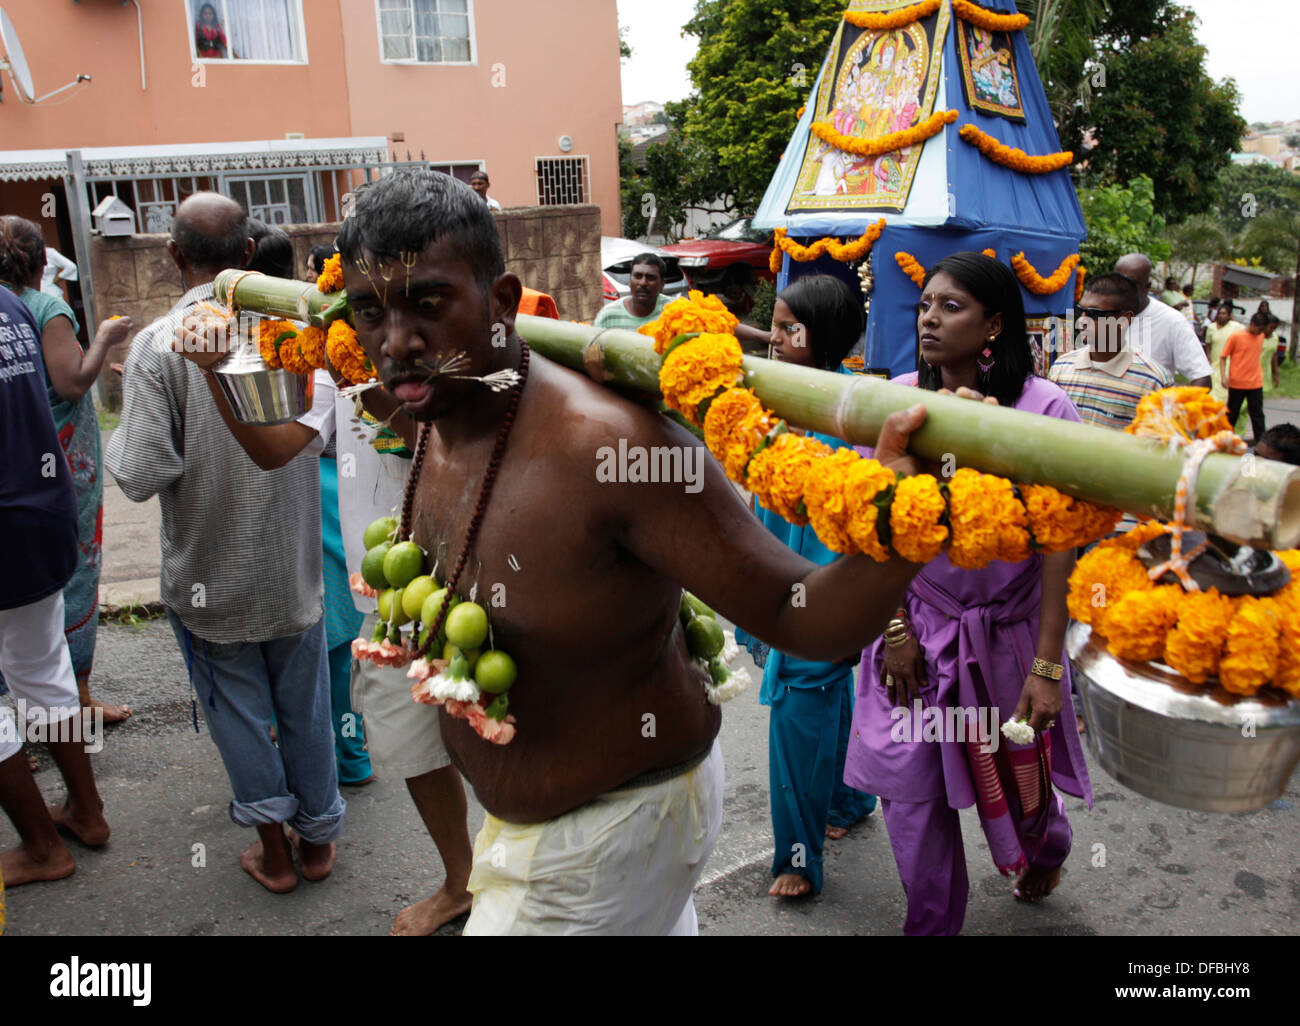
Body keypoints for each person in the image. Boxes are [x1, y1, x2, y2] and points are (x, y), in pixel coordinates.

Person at [334, 168, 935, 934]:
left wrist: (905, 520)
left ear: (503, 303)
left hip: (609, 842)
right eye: (367, 312)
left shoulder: (609, 448)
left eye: (427, 303)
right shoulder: (428, 410)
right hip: (547, 839)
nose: (397, 341)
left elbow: (801, 614)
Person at [843, 252, 1092, 936]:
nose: (929, 317)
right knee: (911, 801)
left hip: (1009, 637)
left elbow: (1058, 550)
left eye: (950, 306)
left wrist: (1046, 668)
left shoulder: (1044, 409)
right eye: (925, 303)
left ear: (993, 326)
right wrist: (895, 631)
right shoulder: (893, 404)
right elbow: (877, 531)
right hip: (915, 634)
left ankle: (1048, 848)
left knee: (1021, 790)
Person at [106, 192, 345, 894]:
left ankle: (276, 854)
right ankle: (321, 838)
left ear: (173, 255)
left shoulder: (158, 345)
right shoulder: (293, 329)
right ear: (248, 254)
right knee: (306, 710)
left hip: (213, 579)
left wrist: (124, 410)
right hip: (294, 569)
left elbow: (141, 472)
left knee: (239, 714)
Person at [735, 275, 876, 900]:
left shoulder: (854, 409)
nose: (776, 337)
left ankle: (797, 859)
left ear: (821, 337)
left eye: (790, 328)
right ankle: (848, 801)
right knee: (825, 704)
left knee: (798, 714)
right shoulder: (772, 396)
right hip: (774, 576)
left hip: (819, 596)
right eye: (776, 323)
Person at [327, 370, 475, 934]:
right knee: (412, 743)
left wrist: (367, 384)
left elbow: (436, 439)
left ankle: (522, 876)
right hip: (385, 591)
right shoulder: (329, 351)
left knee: (498, 729)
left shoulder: (423, 337)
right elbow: (284, 442)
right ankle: (461, 881)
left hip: (469, 574)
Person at [0, 216, 135, 723]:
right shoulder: (47, 307)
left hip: (18, 462)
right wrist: (104, 336)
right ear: (40, 263)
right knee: (74, 571)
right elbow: (73, 382)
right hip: (60, 466)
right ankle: (75, 696)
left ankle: (13, 722)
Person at [0, 284, 111, 889]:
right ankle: (87, 813)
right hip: (40, 514)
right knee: (44, 672)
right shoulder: (13, 305)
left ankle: (43, 847)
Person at [1048, 272, 1173, 430]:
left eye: (1094, 314)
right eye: (1081, 311)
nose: (1082, 321)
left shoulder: (1153, 381)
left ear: (1124, 319)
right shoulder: (1061, 368)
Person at [1113, 254, 1211, 388]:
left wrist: (1173, 408)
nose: (1123, 288)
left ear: (1147, 287)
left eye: (1132, 284)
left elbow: (1202, 378)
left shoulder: (1172, 321)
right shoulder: (1103, 313)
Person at [1220, 312, 1277, 443]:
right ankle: (1223, 440)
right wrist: (1224, 377)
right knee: (1232, 414)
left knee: (1257, 415)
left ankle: (1261, 443)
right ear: (1252, 324)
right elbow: (1223, 357)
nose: (1260, 332)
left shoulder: (1261, 336)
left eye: (1263, 330)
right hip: (1237, 382)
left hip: (1255, 383)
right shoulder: (1236, 337)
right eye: (1259, 329)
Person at [592, 253, 670, 331]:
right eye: (637, 276)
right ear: (629, 281)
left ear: (662, 284)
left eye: (650, 277)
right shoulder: (608, 316)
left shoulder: (674, 312)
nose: (643, 283)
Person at [1204, 300, 1243, 403]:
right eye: (1220, 313)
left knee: (1223, 388)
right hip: (1214, 361)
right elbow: (1208, 344)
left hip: (1228, 362)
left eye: (1224, 314)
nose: (1221, 316)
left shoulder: (1235, 327)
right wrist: (1208, 358)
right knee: (1213, 388)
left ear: (1229, 315)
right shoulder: (1211, 328)